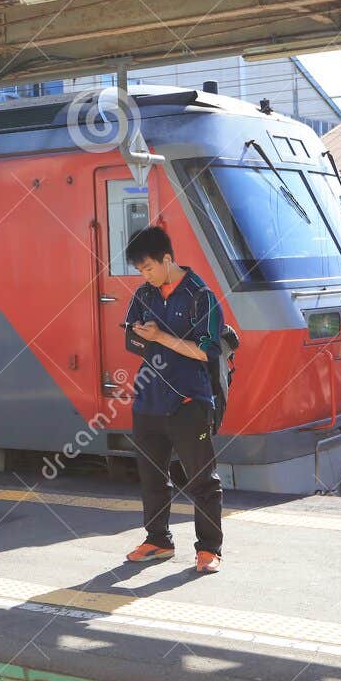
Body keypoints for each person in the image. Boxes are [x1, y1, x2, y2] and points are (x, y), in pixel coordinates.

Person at [120, 225, 238, 574]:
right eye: (140, 270)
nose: (145, 276)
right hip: (148, 401)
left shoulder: (202, 297)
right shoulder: (144, 295)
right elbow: (131, 341)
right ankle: (158, 540)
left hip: (189, 402)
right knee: (152, 477)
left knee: (202, 479)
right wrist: (150, 339)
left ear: (167, 259)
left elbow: (207, 353)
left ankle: (209, 550)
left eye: (149, 268)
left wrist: (159, 337)